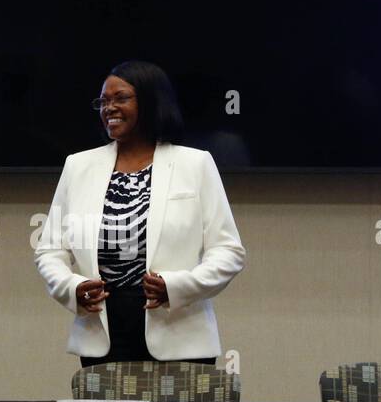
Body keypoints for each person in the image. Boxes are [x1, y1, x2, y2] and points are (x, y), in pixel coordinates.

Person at [35, 60, 244, 366]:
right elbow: (50, 250)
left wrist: (178, 287)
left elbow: (228, 252)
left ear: (150, 101)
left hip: (180, 335)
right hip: (103, 334)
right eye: (104, 101)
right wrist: (72, 288)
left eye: (120, 98)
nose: (109, 108)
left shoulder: (194, 164)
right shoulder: (78, 166)